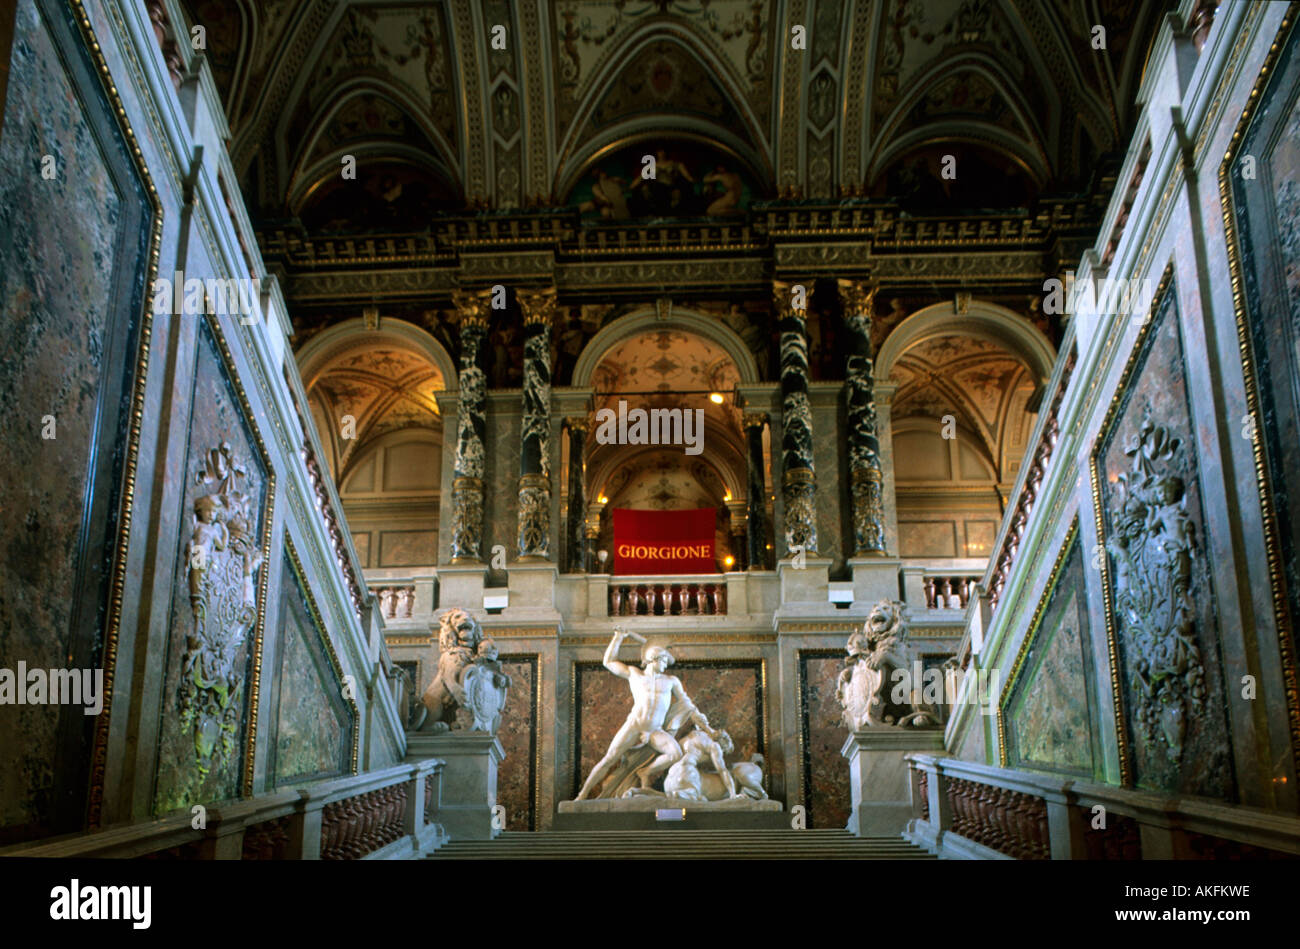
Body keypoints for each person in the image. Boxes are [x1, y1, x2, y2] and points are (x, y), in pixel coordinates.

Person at [574, 629, 716, 799]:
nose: (666, 664)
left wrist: (707, 728)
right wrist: (618, 638)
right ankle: (582, 795)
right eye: (663, 660)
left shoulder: (671, 681)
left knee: (676, 754)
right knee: (609, 758)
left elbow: (688, 704)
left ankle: (645, 772)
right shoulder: (635, 674)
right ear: (653, 660)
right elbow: (609, 661)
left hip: (655, 730)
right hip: (634, 725)